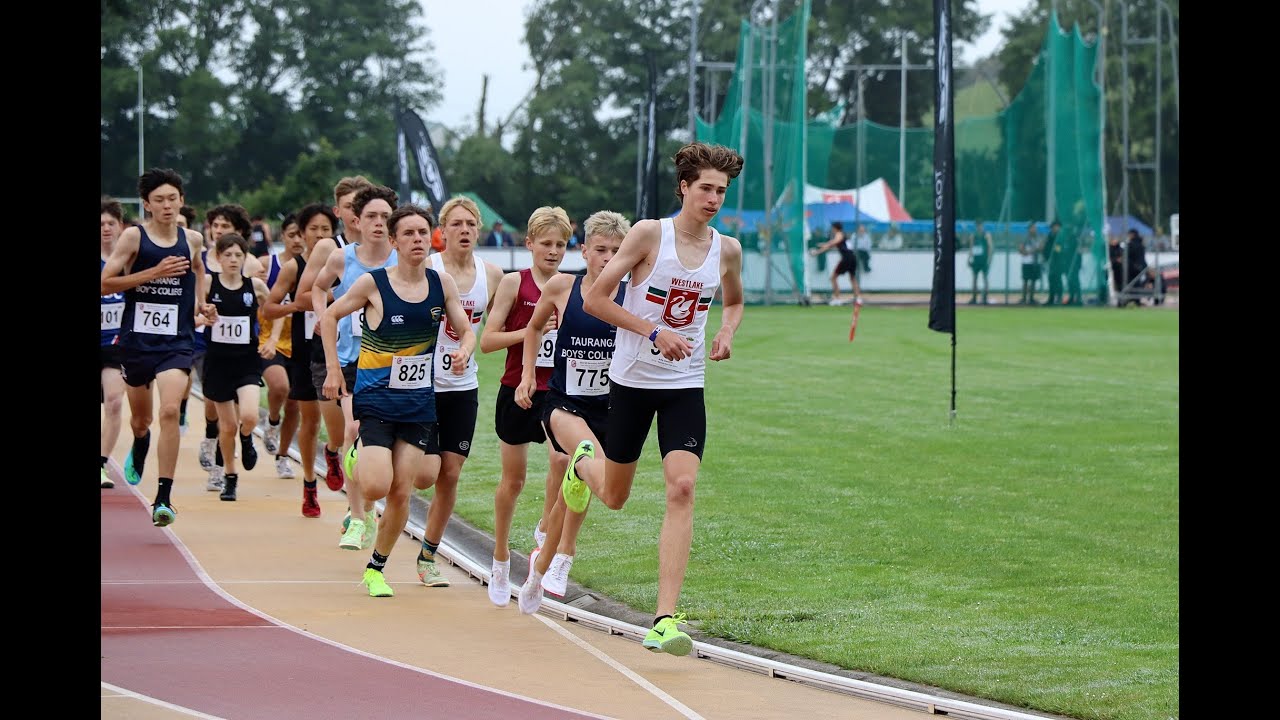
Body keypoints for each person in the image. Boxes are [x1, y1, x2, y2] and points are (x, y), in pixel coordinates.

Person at [563, 141, 746, 656]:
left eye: (722, 191)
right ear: (684, 187)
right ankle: (584, 465)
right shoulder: (649, 235)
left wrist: (726, 333)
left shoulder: (726, 249)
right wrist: (651, 331)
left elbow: (733, 302)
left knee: (682, 487)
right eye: (706, 188)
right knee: (615, 496)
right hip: (632, 382)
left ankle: (664, 618)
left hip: (685, 384)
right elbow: (595, 298)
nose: (714, 198)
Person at [320, 203, 476, 597]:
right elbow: (328, 317)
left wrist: (465, 351)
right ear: (394, 241)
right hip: (375, 400)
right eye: (408, 234)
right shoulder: (374, 284)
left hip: (419, 404)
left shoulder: (442, 285)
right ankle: (356, 454)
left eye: (424, 233)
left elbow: (466, 329)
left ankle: (376, 568)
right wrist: (335, 371)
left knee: (403, 491)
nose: (418, 240)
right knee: (375, 488)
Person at [515, 209, 630, 615]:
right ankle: (565, 555)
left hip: (610, 407)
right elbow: (532, 328)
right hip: (563, 403)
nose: (608, 257)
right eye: (601, 249)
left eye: (617, 251)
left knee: (583, 475)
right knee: (585, 459)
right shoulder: (564, 288)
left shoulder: (633, 296)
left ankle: (539, 565)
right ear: (585, 250)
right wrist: (528, 375)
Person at [101, 168, 216, 527]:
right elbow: (105, 284)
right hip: (136, 342)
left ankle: (163, 496)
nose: (167, 205)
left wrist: (202, 304)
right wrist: (153, 273)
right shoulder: (134, 238)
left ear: (181, 200)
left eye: (172, 198)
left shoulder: (193, 238)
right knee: (141, 420)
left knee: (169, 410)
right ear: (147, 205)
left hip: (176, 343)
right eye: (159, 200)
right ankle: (139, 441)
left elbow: (197, 269)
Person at [477, 206, 571, 607]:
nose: (553, 252)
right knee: (512, 482)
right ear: (529, 243)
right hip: (517, 388)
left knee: (563, 462)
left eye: (561, 245)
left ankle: (545, 531)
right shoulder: (516, 284)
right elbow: (487, 341)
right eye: (545, 244)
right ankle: (500, 556)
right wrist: (531, 330)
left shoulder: (572, 286)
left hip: (558, 394)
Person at [413, 195, 505, 588]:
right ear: (442, 231)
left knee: (450, 474)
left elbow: (498, 326)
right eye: (457, 224)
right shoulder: (427, 268)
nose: (464, 230)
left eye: (471, 224)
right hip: (422, 385)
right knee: (422, 476)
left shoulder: (493, 275)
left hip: (463, 388)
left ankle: (427, 556)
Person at [316, 184, 402, 552]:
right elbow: (319, 289)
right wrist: (325, 318)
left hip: (394, 365)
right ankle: (357, 516)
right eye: (372, 216)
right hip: (353, 361)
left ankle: (368, 501)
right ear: (357, 220)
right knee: (353, 429)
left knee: (381, 446)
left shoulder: (404, 260)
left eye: (385, 217)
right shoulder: (342, 258)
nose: (379, 223)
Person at [294, 176, 375, 498]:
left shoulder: (385, 249)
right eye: (349, 206)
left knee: (358, 430)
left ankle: (357, 506)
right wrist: (331, 310)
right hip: (332, 350)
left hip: (371, 354)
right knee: (340, 431)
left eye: (362, 206)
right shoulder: (331, 248)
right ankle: (330, 452)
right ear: (338, 211)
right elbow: (304, 293)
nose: (356, 213)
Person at [262, 203, 341, 518]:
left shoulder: (342, 262)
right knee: (310, 420)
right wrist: (300, 306)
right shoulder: (294, 267)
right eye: (314, 229)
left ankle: (334, 453)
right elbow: (268, 308)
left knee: (344, 420)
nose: (320, 235)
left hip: (336, 348)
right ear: (303, 233)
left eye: (326, 229)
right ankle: (310, 484)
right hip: (305, 350)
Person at [197, 204, 264, 491]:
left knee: (248, 416)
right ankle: (230, 476)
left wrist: (270, 340)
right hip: (218, 361)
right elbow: (195, 314)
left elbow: (272, 312)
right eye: (228, 255)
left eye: (239, 255)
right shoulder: (209, 283)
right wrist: (205, 315)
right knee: (226, 426)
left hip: (246, 360)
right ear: (218, 258)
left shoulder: (255, 286)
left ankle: (247, 439)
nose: (234, 260)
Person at [258, 213, 300, 476]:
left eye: (300, 234)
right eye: (291, 234)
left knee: (295, 404)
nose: (297, 239)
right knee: (280, 386)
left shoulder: (319, 266)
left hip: (302, 342)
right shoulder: (268, 264)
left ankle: (283, 456)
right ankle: (272, 419)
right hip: (269, 340)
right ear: (282, 235)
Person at [101, 198, 129, 489]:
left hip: (116, 344)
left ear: (120, 227)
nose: (106, 229)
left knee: (114, 401)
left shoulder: (129, 262)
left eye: (110, 223)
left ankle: (101, 464)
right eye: (100, 224)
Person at [809, 221, 860, 306]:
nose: (831, 229)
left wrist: (825, 245)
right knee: (852, 278)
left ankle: (837, 299)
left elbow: (834, 242)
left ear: (835, 228)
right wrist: (818, 251)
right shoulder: (841, 235)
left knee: (833, 277)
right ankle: (857, 298)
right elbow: (831, 245)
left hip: (847, 258)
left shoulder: (839, 234)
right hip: (852, 257)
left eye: (832, 228)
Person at [967, 220, 993, 305]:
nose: (979, 227)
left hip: (984, 259)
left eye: (980, 225)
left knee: (985, 278)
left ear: (983, 226)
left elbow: (990, 247)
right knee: (974, 278)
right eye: (977, 226)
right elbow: (971, 248)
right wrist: (969, 258)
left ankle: (985, 298)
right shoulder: (973, 235)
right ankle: (974, 298)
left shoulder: (986, 235)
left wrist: (989, 259)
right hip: (976, 260)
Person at [1043, 220, 1067, 306]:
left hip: (1059, 262)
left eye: (1055, 227)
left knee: (1058, 280)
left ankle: (1059, 298)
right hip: (1051, 262)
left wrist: (1056, 250)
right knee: (1051, 279)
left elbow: (1061, 249)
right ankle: (1051, 298)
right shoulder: (1050, 236)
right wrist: (1046, 257)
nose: (1053, 228)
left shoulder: (1061, 236)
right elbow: (1046, 248)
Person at [1018, 224, 1042, 305]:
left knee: (1034, 280)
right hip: (1026, 262)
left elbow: (1041, 247)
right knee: (1025, 280)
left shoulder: (1038, 237)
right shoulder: (1025, 238)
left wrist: (1033, 250)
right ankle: (1024, 298)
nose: (1033, 230)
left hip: (1035, 262)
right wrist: (1029, 251)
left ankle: (1031, 298)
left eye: (1034, 228)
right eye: (1031, 228)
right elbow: (1021, 249)